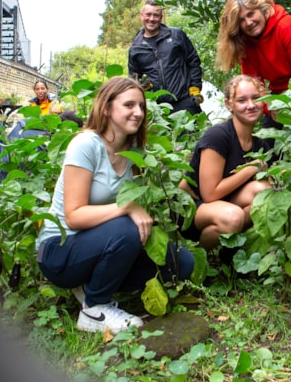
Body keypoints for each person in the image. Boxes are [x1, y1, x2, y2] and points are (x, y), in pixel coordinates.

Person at [35, 76, 194, 334]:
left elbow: (152, 196)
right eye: (129, 105)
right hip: (60, 250)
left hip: (101, 243)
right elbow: (74, 216)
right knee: (127, 227)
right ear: (107, 108)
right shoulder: (86, 144)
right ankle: (94, 307)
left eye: (141, 106)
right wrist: (128, 207)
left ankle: (93, 283)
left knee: (181, 263)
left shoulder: (135, 152)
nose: (138, 112)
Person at [182, 74, 273, 250]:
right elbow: (209, 194)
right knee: (233, 217)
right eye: (241, 100)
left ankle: (230, 253)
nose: (251, 105)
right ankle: (200, 256)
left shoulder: (259, 143)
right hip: (193, 207)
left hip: (224, 204)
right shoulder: (218, 136)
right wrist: (251, 168)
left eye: (256, 98)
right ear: (228, 104)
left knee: (264, 193)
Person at [215, 0, 291, 97]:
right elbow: (253, 85)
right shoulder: (246, 43)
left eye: (251, 14)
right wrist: (268, 108)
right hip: (283, 96)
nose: (249, 22)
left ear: (262, 9)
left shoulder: (289, 28)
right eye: (241, 20)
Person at [128, 0, 203, 116]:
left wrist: (195, 88)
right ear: (141, 16)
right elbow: (133, 79)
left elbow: (193, 61)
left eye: (156, 15)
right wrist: (143, 90)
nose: (151, 19)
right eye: (148, 14)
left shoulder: (176, 35)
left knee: (196, 134)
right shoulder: (135, 48)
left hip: (185, 101)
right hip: (159, 108)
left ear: (161, 17)